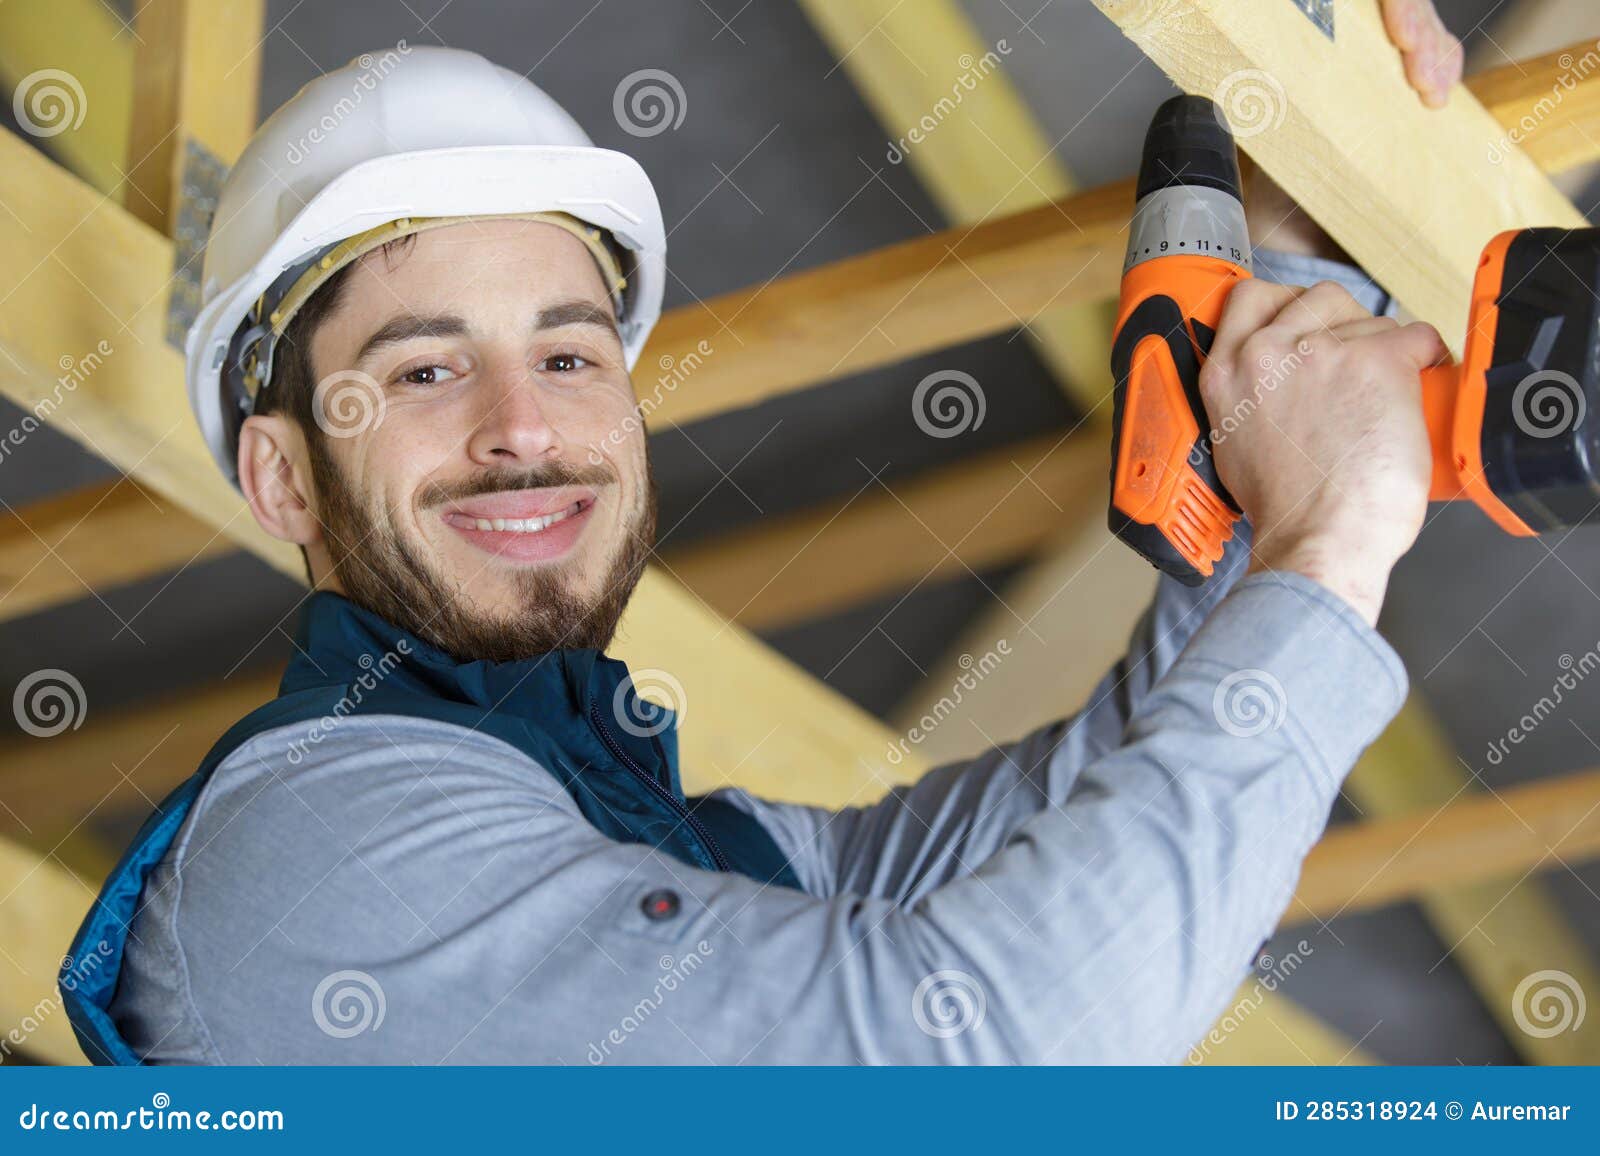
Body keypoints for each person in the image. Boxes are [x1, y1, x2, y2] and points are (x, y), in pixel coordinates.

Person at [62, 6, 1464, 1064]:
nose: (525, 429)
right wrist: (1334, 537)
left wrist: (1290, 279)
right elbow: (978, 1057)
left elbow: (1102, 810)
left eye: (569, 357)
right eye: (424, 371)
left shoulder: (647, 843)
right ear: (285, 479)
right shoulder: (319, 856)